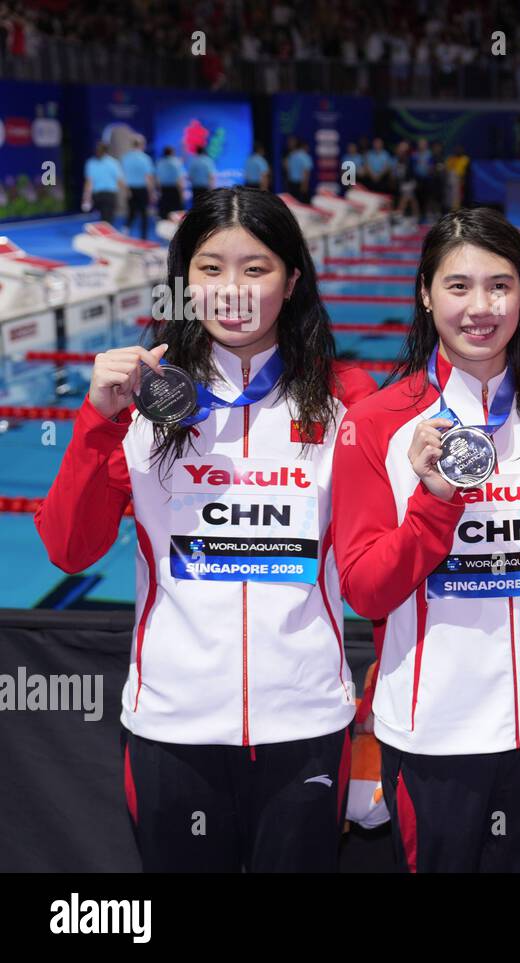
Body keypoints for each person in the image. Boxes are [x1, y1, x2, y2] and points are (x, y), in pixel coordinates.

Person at [35, 186, 379, 872]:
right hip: (173, 725)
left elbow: (376, 576)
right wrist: (97, 422)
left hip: (306, 720)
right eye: (210, 268)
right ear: (183, 282)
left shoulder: (349, 398)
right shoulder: (141, 397)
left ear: (293, 280)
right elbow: (70, 548)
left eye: (256, 269)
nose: (233, 290)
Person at [330, 208, 520, 872]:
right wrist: (433, 503)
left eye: (499, 285)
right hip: (434, 729)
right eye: (458, 285)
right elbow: (365, 590)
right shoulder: (375, 424)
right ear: (424, 293)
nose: (480, 306)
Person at [120, 136, 156, 239]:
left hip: (130, 189)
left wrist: (126, 190)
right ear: (142, 145)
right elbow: (148, 177)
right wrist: (152, 193)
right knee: (144, 214)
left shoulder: (125, 158)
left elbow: (122, 176)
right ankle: (143, 238)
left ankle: (125, 232)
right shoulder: (145, 158)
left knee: (131, 212)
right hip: (142, 189)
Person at [82, 141, 125, 226]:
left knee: (105, 218)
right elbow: (120, 180)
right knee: (107, 219)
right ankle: (105, 236)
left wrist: (86, 198)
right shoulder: (113, 163)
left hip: (102, 195)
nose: (98, 151)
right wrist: (86, 198)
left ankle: (104, 235)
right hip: (105, 195)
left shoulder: (91, 163)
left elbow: (89, 183)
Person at [155, 146, 184, 219]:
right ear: (172, 153)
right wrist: (181, 193)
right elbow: (179, 179)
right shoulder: (176, 162)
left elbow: (157, 179)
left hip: (164, 190)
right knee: (176, 214)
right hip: (174, 190)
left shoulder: (159, 163)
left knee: (164, 214)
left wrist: (159, 191)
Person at [284, 138, 313, 204]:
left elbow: (287, 169)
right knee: (303, 206)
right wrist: (304, 185)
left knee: (293, 205)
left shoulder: (291, 155)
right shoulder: (305, 156)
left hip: (291, 183)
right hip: (301, 184)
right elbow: (306, 171)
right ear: (304, 146)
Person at [445, 144, 469, 211]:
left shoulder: (465, 159)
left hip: (460, 181)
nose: (458, 151)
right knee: (450, 199)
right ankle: (452, 211)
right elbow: (448, 169)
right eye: (456, 149)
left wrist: (463, 181)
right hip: (451, 181)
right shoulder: (451, 159)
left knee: (458, 199)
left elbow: (465, 172)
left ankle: (458, 212)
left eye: (459, 149)